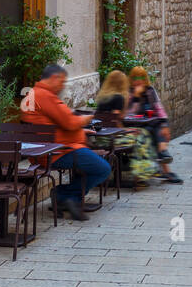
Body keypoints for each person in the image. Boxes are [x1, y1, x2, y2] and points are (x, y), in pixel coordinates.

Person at [23, 64, 112, 220]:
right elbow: (69, 121)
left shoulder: (32, 94)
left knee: (93, 162)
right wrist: (88, 117)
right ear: (54, 78)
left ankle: (70, 199)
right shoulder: (44, 96)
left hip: (46, 150)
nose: (62, 86)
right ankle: (64, 195)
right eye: (62, 82)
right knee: (102, 168)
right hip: (58, 151)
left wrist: (80, 131)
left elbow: (51, 126)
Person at [92, 70, 162, 184]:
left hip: (100, 138)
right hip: (112, 139)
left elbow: (110, 121)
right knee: (142, 135)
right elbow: (115, 121)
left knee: (140, 132)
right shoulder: (118, 98)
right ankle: (142, 174)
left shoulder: (103, 97)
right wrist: (127, 131)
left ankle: (145, 170)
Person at [127, 67, 183, 183]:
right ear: (132, 79)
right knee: (149, 130)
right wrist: (137, 97)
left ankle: (163, 154)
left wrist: (165, 125)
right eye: (136, 78)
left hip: (150, 124)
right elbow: (129, 114)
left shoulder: (150, 91)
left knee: (158, 127)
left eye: (142, 77)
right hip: (134, 126)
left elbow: (159, 109)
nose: (139, 80)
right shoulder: (129, 93)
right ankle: (164, 167)